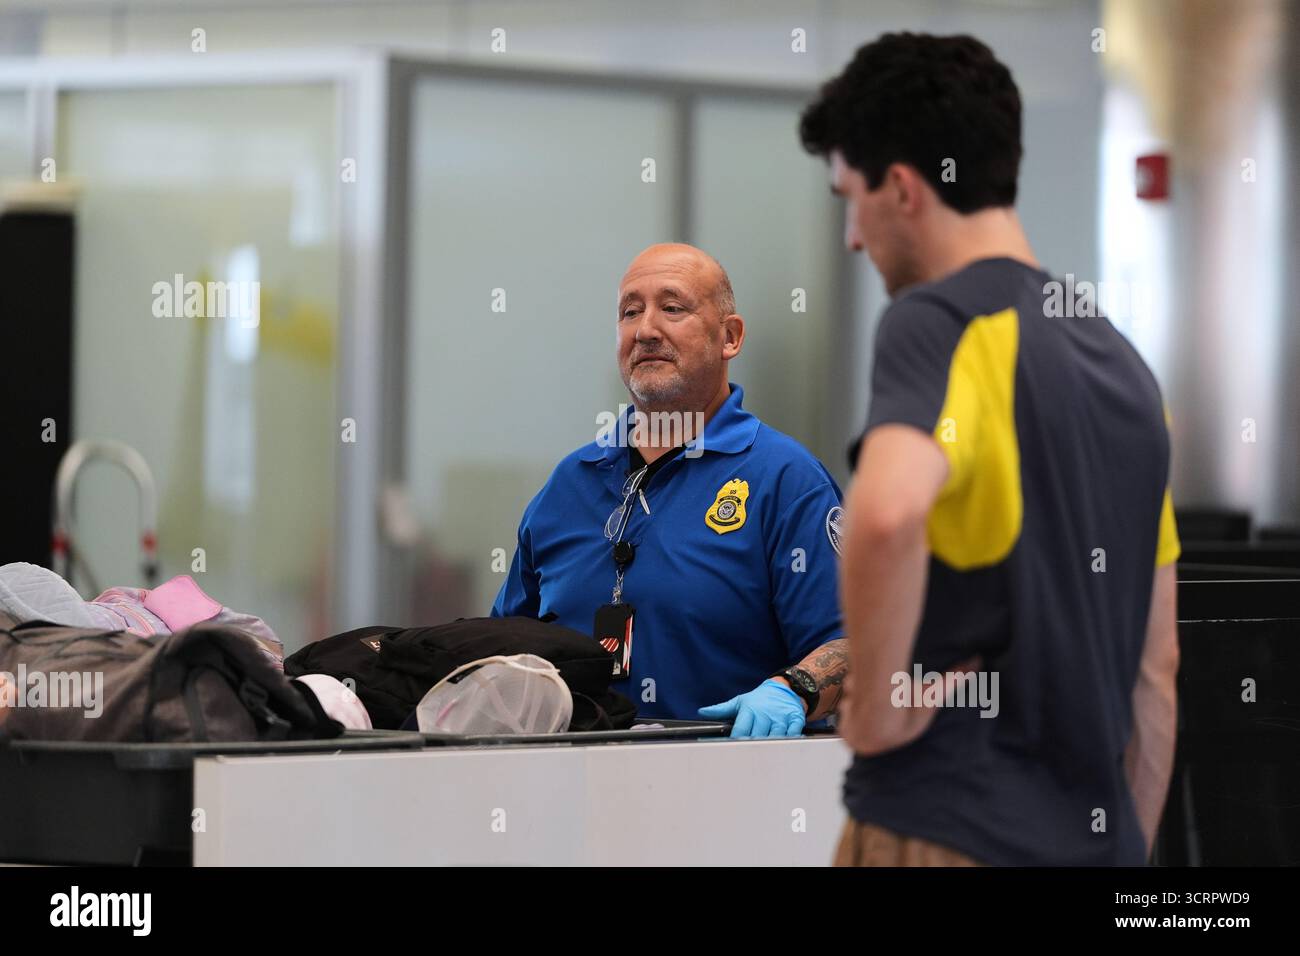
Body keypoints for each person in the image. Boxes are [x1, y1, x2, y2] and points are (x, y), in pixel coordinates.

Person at [800, 33, 1180, 865]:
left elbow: (886, 515)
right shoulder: (1127, 369)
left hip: (944, 826)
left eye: (851, 198)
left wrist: (876, 708)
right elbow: (1158, 668)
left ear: (904, 189)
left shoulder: (937, 323)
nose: (853, 238)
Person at [493, 243, 848, 737]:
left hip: (730, 774)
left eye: (673, 308)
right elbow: (503, 648)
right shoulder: (568, 485)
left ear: (730, 337)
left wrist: (794, 689)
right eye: (630, 312)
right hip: (576, 776)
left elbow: (855, 644)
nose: (645, 330)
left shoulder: (786, 480)